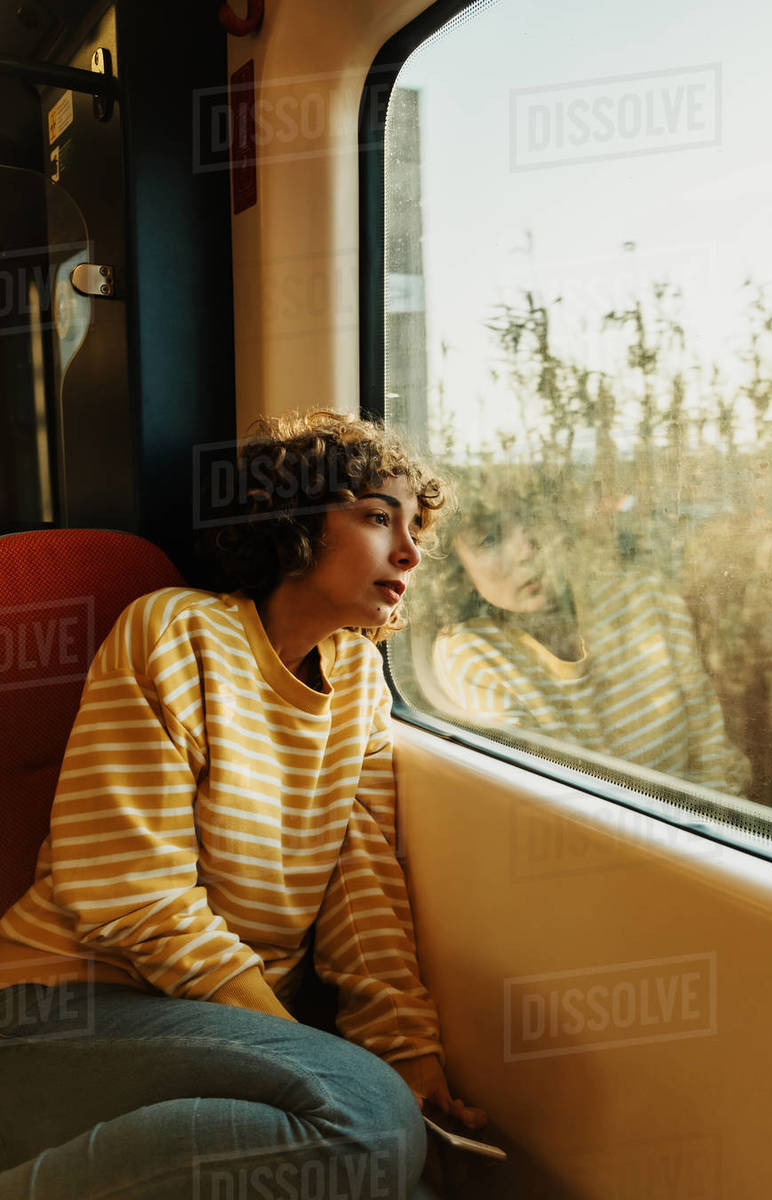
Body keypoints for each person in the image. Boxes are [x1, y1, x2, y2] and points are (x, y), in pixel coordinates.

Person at [0, 411, 485, 1200]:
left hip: (213, 1025)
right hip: (58, 1011)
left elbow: (359, 886)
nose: (410, 549)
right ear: (293, 520)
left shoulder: (360, 680)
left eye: (415, 527)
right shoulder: (174, 631)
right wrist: (305, 1055)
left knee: (405, 1171)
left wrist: (405, 1048)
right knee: (365, 1122)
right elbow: (132, 898)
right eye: (375, 516)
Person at [431, 485, 750, 795]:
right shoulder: (470, 651)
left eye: (532, 518)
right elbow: (536, 797)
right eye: (490, 539)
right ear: (458, 570)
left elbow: (712, 752)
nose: (527, 549)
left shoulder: (647, 598)